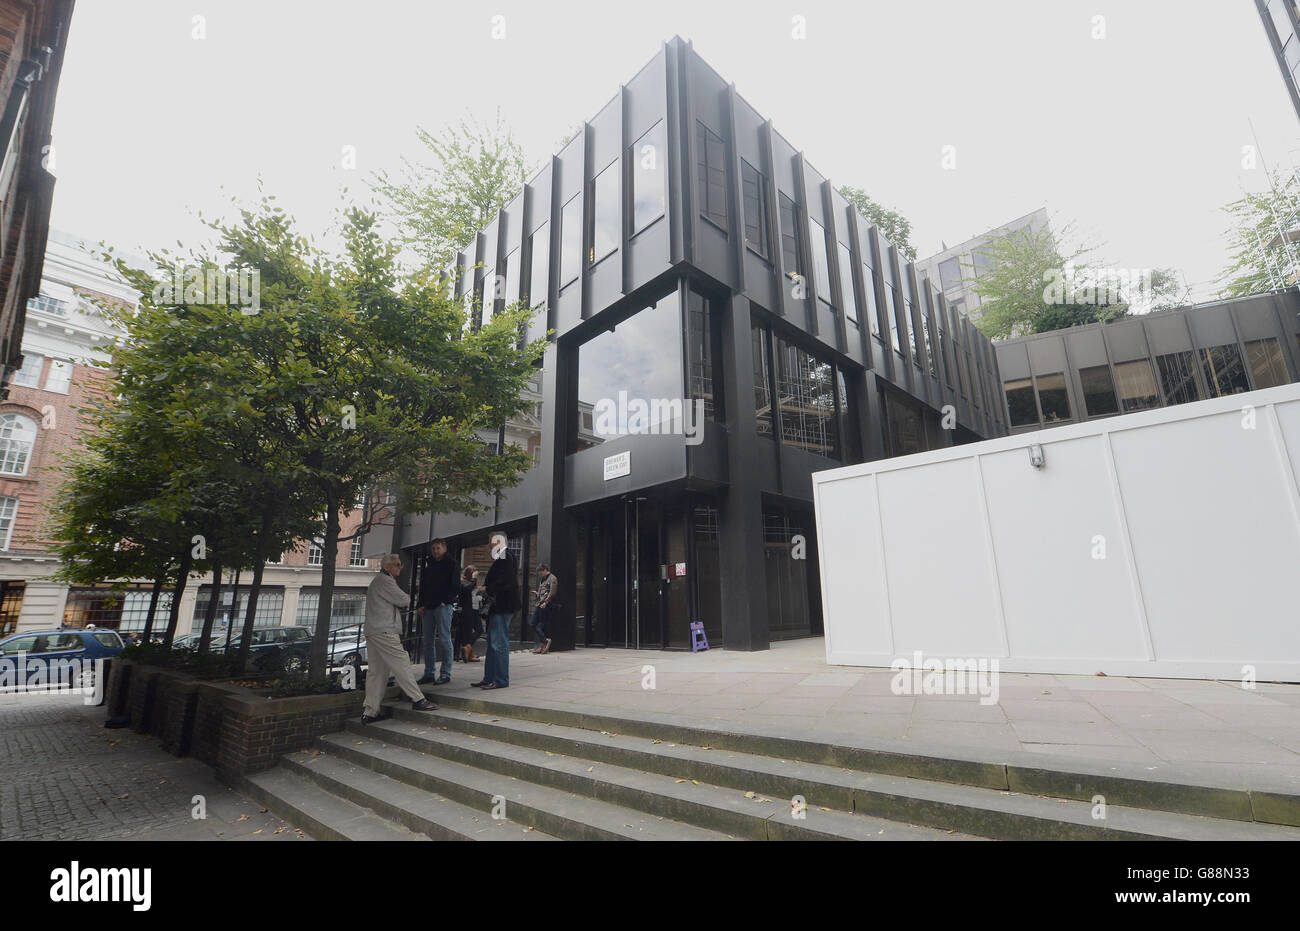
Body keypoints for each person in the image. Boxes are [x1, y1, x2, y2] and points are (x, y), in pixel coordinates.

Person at [362, 553, 438, 724]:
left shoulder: (378, 581)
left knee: (377, 672)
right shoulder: (385, 580)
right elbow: (404, 600)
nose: (400, 567)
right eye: (397, 564)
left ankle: (370, 712)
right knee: (401, 662)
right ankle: (418, 699)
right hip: (384, 630)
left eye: (400, 564)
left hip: (373, 630)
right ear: (387, 566)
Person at [474, 538, 519, 691]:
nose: (489, 546)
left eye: (491, 543)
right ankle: (489, 678)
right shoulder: (505, 556)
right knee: (493, 643)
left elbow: (506, 580)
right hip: (500, 606)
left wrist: (488, 588)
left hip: (502, 605)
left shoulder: (505, 556)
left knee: (498, 643)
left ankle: (500, 679)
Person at [417, 538, 458, 686]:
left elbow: (454, 585)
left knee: (445, 640)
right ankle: (429, 673)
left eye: (438, 548)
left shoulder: (451, 564)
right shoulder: (429, 564)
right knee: (427, 641)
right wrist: (420, 604)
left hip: (442, 606)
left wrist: (445, 601)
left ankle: (446, 673)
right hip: (428, 607)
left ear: (444, 548)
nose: (435, 551)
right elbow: (423, 586)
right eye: (433, 548)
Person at [456, 565, 483, 663]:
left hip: (474, 610)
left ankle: (468, 650)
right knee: (468, 632)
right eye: (474, 573)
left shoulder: (471, 583)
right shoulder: (462, 582)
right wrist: (474, 579)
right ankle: (468, 649)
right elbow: (467, 589)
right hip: (467, 610)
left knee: (478, 630)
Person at [530, 563, 557, 654]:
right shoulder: (543, 579)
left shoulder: (552, 578)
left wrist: (546, 602)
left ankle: (542, 646)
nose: (540, 574)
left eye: (541, 572)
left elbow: (552, 593)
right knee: (533, 623)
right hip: (539, 604)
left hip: (545, 605)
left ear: (545, 570)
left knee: (541, 625)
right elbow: (543, 592)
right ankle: (545, 640)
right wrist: (537, 594)